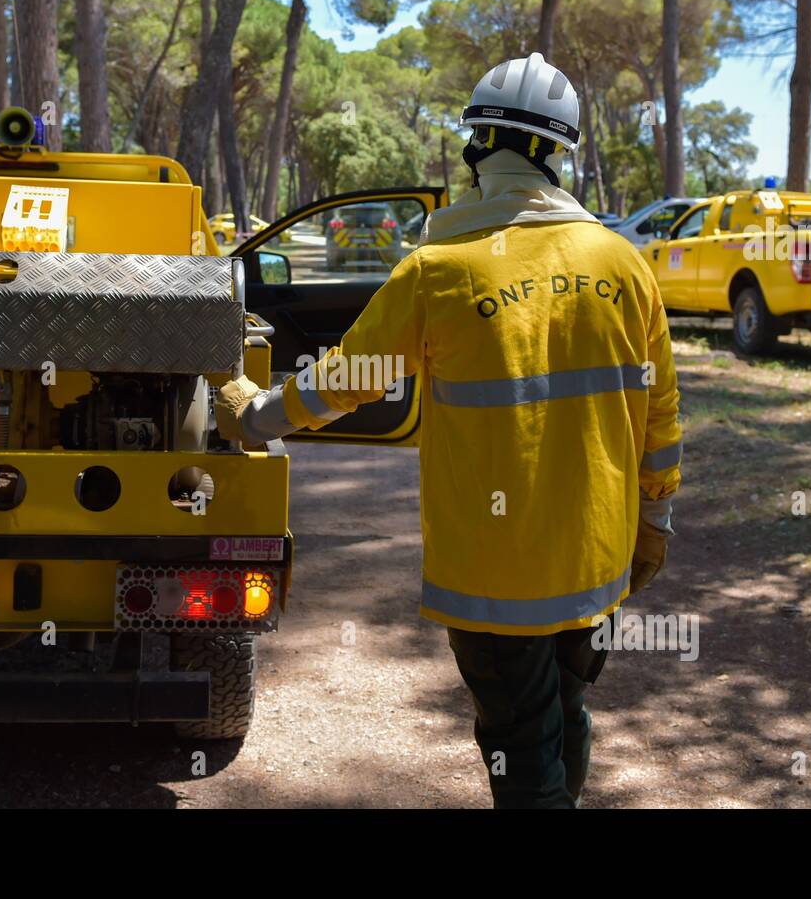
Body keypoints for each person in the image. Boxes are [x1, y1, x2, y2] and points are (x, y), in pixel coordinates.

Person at [215, 52, 682, 809]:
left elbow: (344, 383)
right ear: (558, 154)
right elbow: (660, 414)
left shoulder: (439, 269)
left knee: (520, 745)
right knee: (565, 716)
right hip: (599, 560)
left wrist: (253, 413)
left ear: (476, 148)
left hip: (497, 580)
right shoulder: (625, 265)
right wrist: (655, 517)